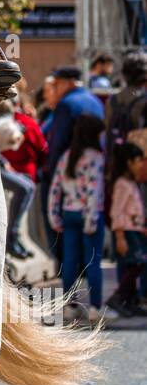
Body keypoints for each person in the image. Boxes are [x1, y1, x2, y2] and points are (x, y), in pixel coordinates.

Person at [47, 114, 108, 323]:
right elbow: (94, 189)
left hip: (69, 213)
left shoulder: (67, 156)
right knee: (93, 263)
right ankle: (95, 307)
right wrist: (91, 219)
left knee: (70, 262)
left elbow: (55, 188)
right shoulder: (96, 158)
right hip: (89, 215)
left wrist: (54, 216)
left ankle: (69, 306)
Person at [106, 142, 147, 317]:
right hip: (127, 232)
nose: (141, 164)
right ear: (129, 162)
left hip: (135, 231)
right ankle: (118, 297)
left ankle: (130, 301)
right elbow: (117, 212)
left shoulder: (131, 183)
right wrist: (120, 237)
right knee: (138, 263)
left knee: (136, 264)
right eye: (138, 160)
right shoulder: (122, 184)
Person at [0, 99, 35, 259]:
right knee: (24, 188)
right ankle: (12, 236)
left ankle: (14, 235)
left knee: (28, 185)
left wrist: (4, 162)